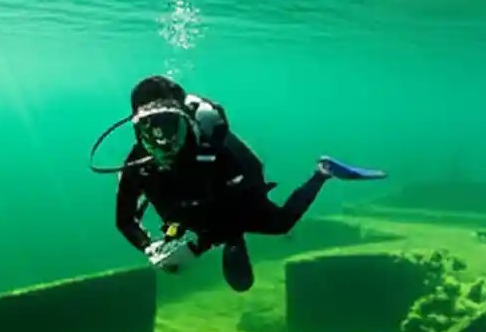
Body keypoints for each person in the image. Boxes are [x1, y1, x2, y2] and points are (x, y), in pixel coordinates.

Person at [105, 75, 385, 292]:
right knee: (185, 226)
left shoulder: (215, 149)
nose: (163, 141)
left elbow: (239, 207)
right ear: (137, 128)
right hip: (190, 211)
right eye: (150, 129)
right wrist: (149, 248)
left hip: (236, 196)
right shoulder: (136, 164)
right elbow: (124, 220)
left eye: (170, 125)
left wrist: (197, 247)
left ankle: (323, 171)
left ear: (186, 120)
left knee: (280, 224)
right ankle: (227, 241)